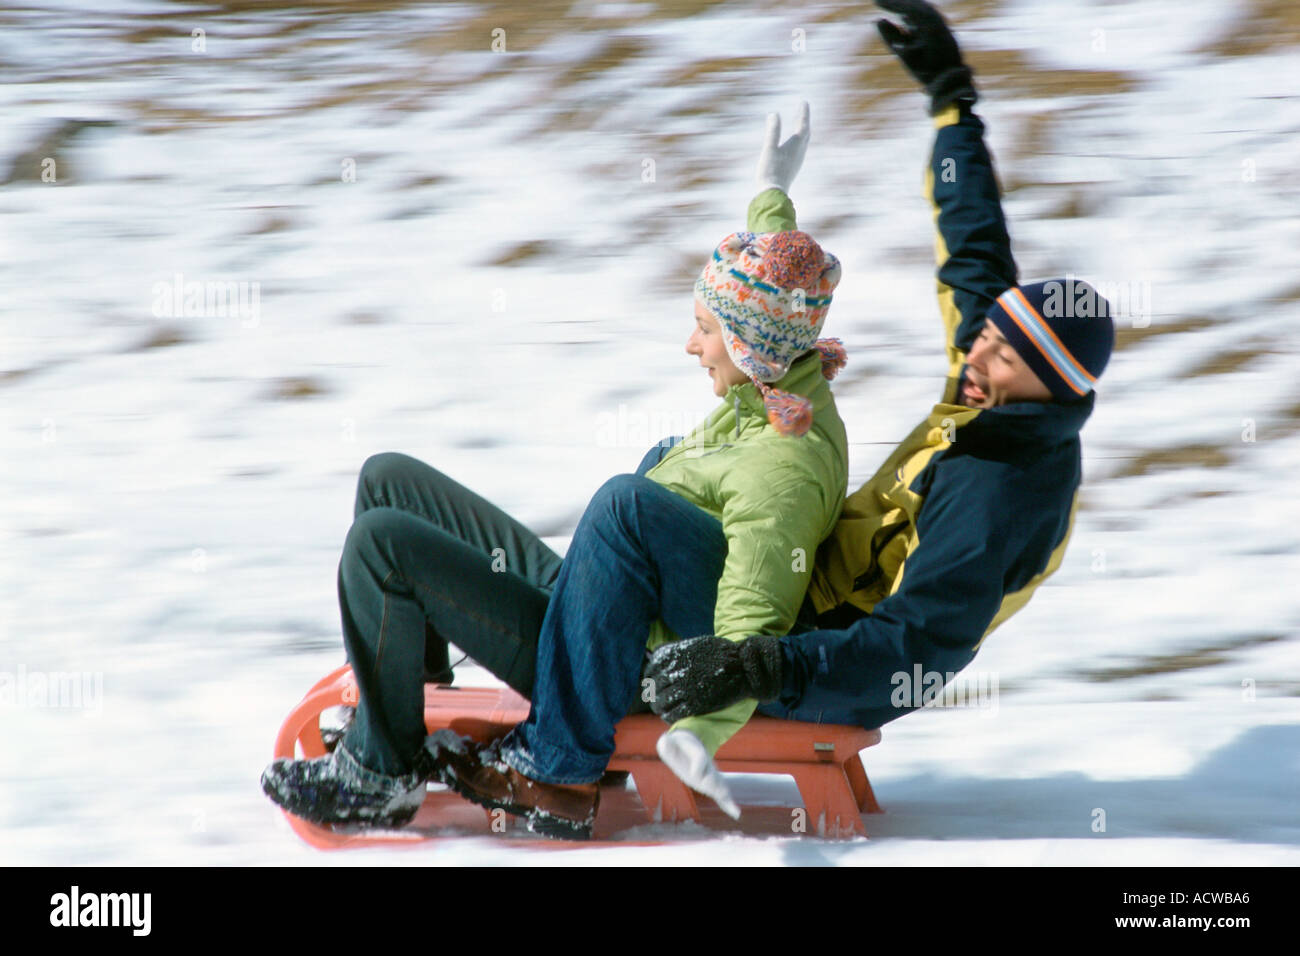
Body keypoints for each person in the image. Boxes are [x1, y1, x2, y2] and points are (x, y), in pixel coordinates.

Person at [260, 105, 849, 839]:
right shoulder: (779, 377)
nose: (689, 344)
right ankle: (402, 707)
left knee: (384, 543)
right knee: (388, 479)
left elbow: (749, 624)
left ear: (749, 345)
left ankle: (380, 777)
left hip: (608, 668)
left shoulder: (784, 464)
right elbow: (777, 288)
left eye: (704, 329)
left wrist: (702, 728)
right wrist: (771, 187)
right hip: (599, 608)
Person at [644, 0, 1117, 735]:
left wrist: (758, 665)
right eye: (987, 334)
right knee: (670, 468)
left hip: (826, 657)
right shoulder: (996, 376)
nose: (978, 355)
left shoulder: (1004, 494)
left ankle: (575, 718)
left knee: (640, 512)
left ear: (1049, 388)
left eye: (1004, 356)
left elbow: (913, 651)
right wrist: (952, 100)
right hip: (808, 586)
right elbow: (974, 242)